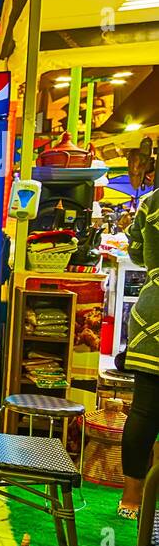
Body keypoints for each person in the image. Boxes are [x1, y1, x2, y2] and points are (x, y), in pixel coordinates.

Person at [121, 195, 159, 518]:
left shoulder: (151, 203)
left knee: (144, 412)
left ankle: (131, 498)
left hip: (151, 313)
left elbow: (134, 251)